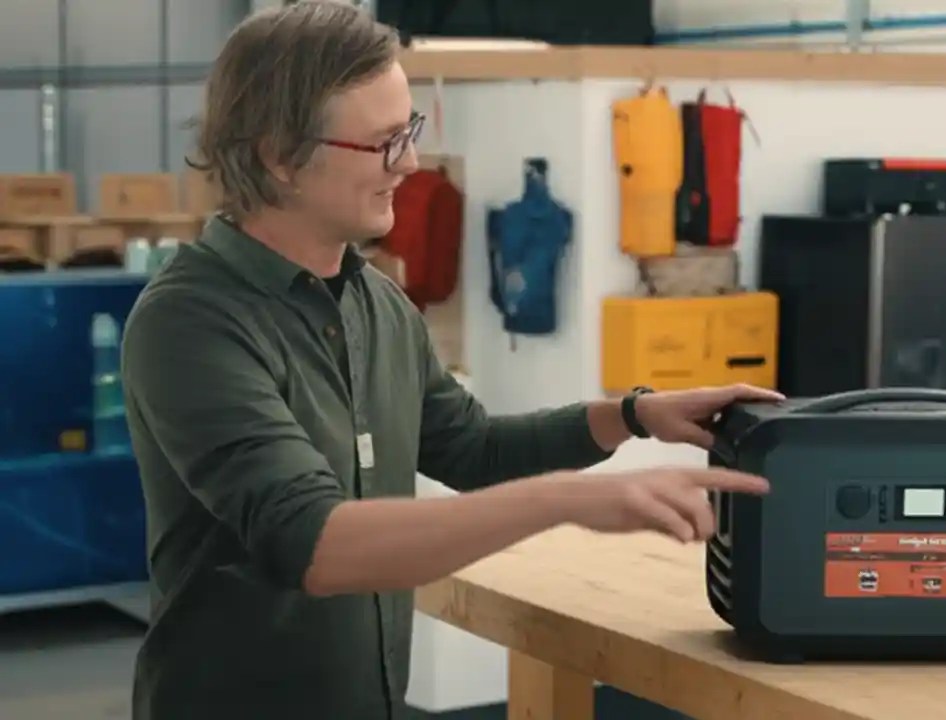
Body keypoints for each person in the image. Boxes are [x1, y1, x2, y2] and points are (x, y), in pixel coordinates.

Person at [119, 3, 779, 719]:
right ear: (280, 155)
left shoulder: (375, 302)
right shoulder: (191, 322)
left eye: (410, 133)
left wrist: (633, 415)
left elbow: (471, 446)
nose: (409, 164)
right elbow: (315, 544)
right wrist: (569, 501)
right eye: (382, 144)